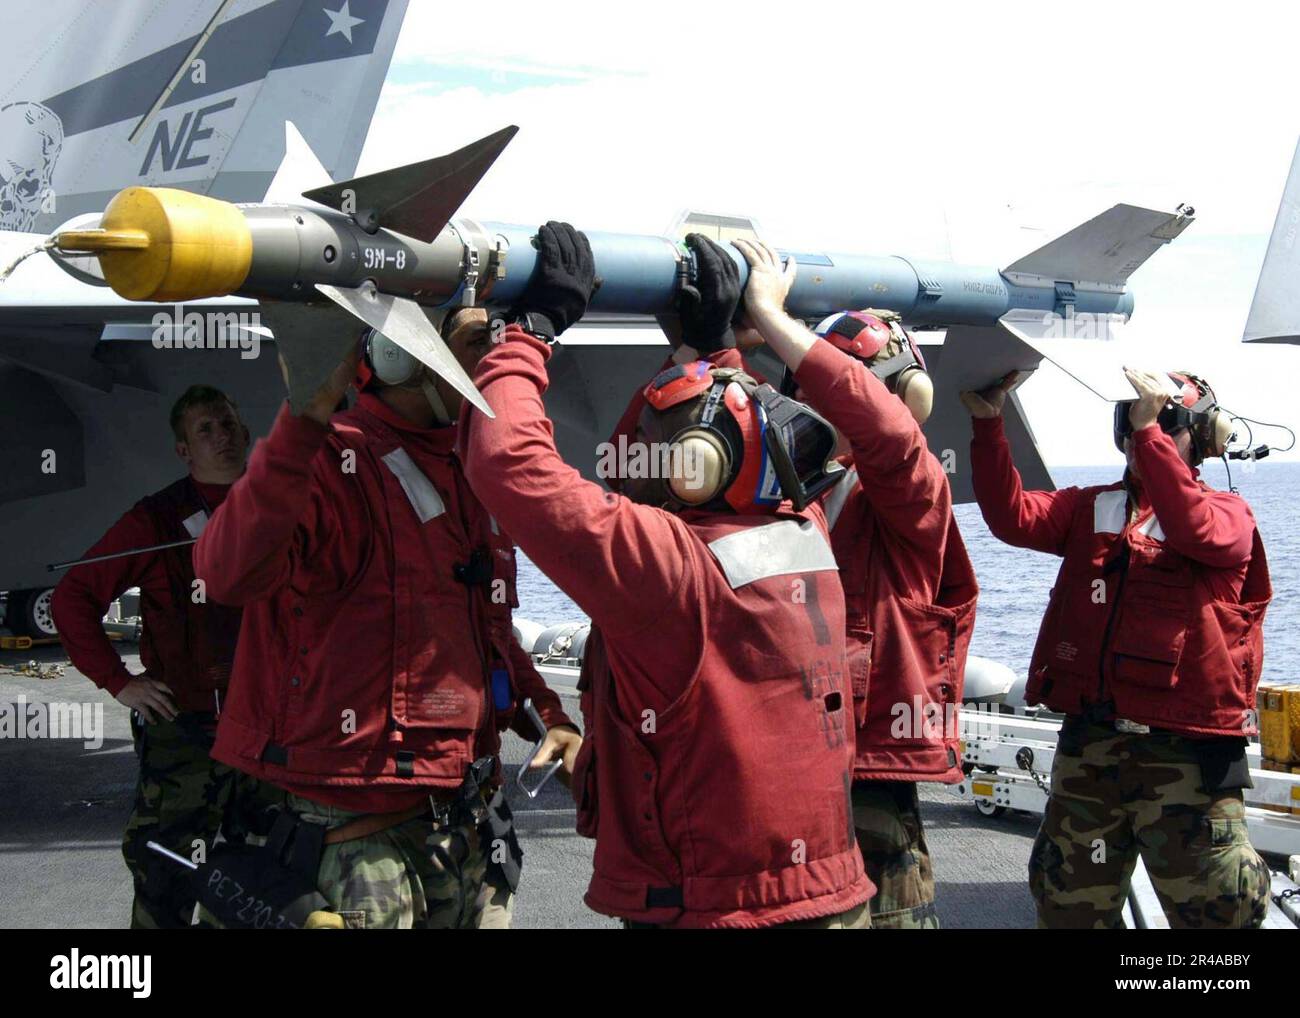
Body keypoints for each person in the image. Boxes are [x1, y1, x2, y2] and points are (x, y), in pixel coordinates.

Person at [460, 223, 872, 928]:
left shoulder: (668, 568)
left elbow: (509, 465)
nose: (637, 453)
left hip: (707, 903)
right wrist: (710, 349)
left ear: (696, 461)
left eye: (659, 440)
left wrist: (528, 335)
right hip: (822, 890)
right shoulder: (806, 532)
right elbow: (650, 472)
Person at [607, 238, 979, 928]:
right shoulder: (777, 493)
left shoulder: (910, 496)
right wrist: (704, 352)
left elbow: (888, 437)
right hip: (779, 781)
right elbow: (647, 472)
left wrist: (775, 320)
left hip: (869, 785)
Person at [192, 307, 580, 929]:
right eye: (480, 343)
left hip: (467, 829)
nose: (495, 364)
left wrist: (545, 713)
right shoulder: (333, 461)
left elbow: (482, 629)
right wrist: (303, 420)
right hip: (358, 847)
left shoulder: (462, 467)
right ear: (405, 357)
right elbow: (226, 572)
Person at [962, 367, 1273, 929]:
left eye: (1161, 425)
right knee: (1068, 904)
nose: (1138, 435)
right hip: (1093, 751)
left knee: (1216, 918)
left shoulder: (1228, 515)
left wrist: (1151, 433)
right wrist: (989, 427)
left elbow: (1190, 527)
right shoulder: (1089, 509)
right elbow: (1010, 516)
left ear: (1202, 438)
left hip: (1188, 760)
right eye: (1129, 425)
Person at [52, 384, 272, 929]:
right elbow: (72, 597)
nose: (221, 437)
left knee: (268, 881)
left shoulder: (279, 505)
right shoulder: (156, 521)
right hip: (187, 731)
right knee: (166, 874)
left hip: (271, 731)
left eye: (227, 424)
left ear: (246, 432)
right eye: (205, 430)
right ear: (183, 450)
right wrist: (117, 681)